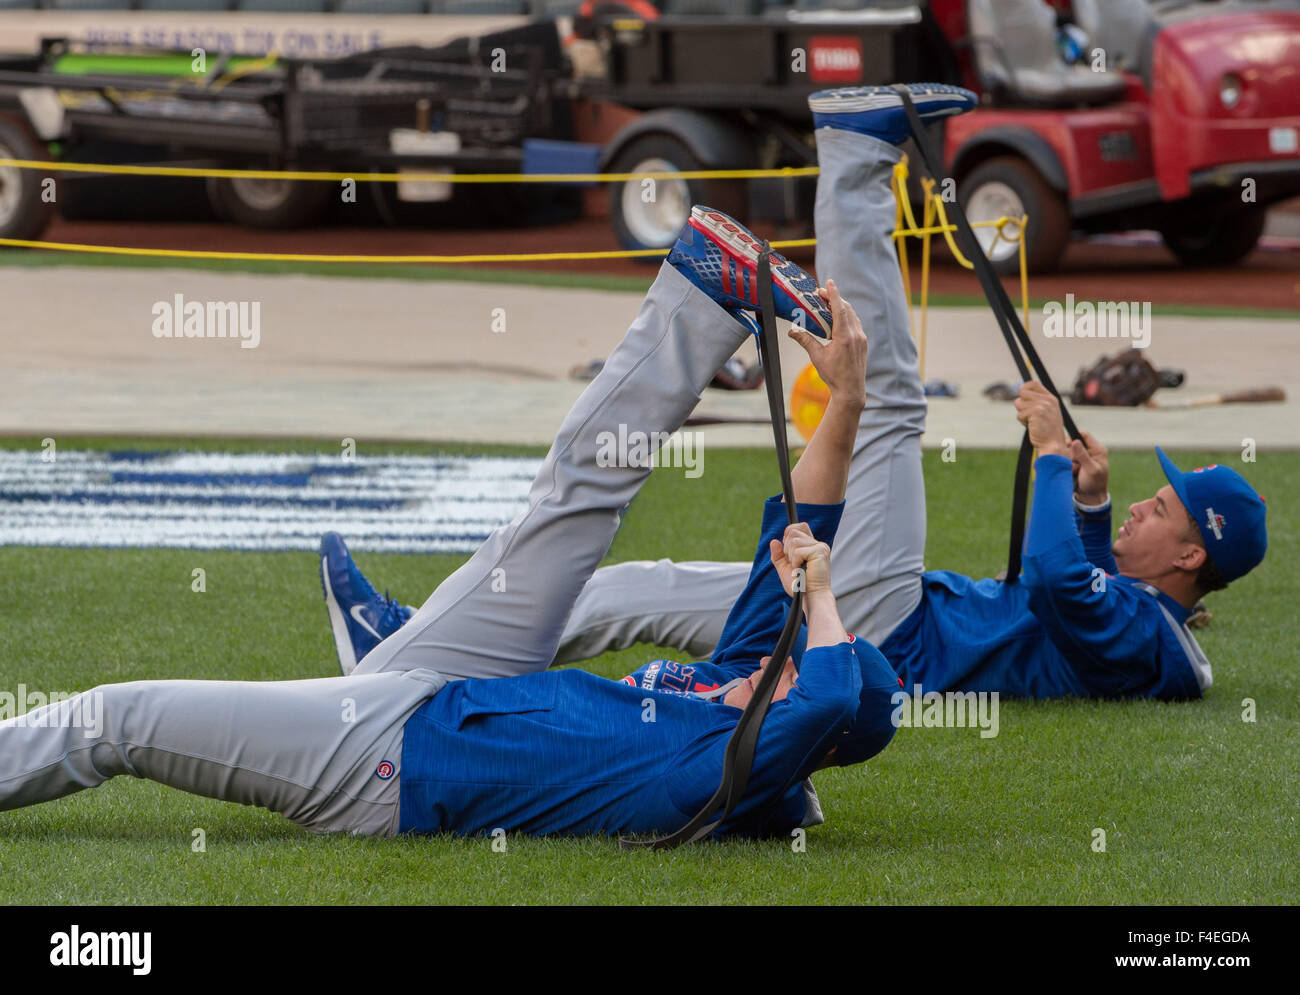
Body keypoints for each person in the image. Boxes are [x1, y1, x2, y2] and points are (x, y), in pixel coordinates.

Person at [325, 83, 1267, 703]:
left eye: (1161, 509)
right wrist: (1093, 505)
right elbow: (1081, 592)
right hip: (877, 607)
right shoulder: (1140, 618)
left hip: (891, 627)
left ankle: (853, 155)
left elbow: (1061, 583)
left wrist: (1057, 459)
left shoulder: (1154, 646)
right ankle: (410, 652)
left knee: (887, 403)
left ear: (1191, 556)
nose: (1143, 503)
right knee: (632, 591)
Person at [0, 202, 903, 840]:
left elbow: (827, 697)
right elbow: (808, 516)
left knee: (116, 719)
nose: (780, 664)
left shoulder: (726, 769)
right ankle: (701, 297)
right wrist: (848, 400)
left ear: (804, 734)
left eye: (796, 672)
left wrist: (825, 604)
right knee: (570, 507)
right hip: (461, 684)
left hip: (387, 759)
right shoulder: (747, 684)